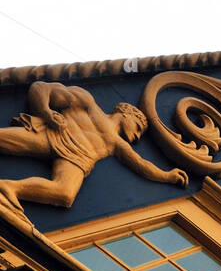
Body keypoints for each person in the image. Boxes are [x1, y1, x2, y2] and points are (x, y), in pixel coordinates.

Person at [0, 81, 187, 215]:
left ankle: (9, 187)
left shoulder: (116, 144)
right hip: (54, 134)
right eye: (138, 127)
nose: (137, 137)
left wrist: (167, 176)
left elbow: (141, 163)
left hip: (76, 160)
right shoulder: (88, 104)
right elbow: (41, 88)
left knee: (65, 194)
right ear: (126, 113)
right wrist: (46, 112)